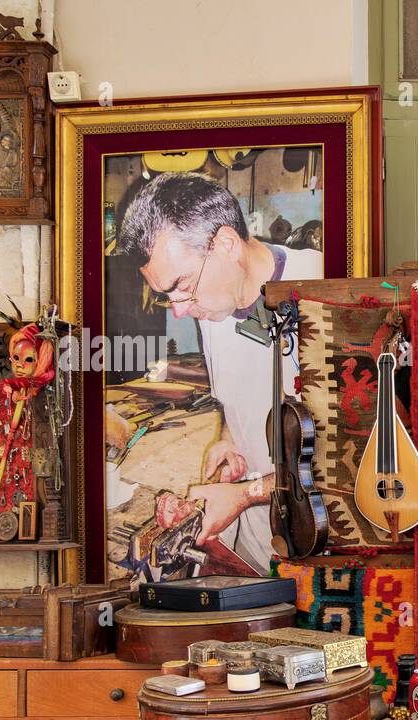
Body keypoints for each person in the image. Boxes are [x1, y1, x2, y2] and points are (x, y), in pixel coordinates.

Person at [115, 170, 322, 571]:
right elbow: (239, 395)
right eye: (167, 295)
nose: (178, 309)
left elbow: (351, 455)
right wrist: (230, 441)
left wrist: (246, 494)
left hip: (324, 546)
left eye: (182, 285)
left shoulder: (324, 284)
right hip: (263, 546)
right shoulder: (212, 309)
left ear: (226, 244)